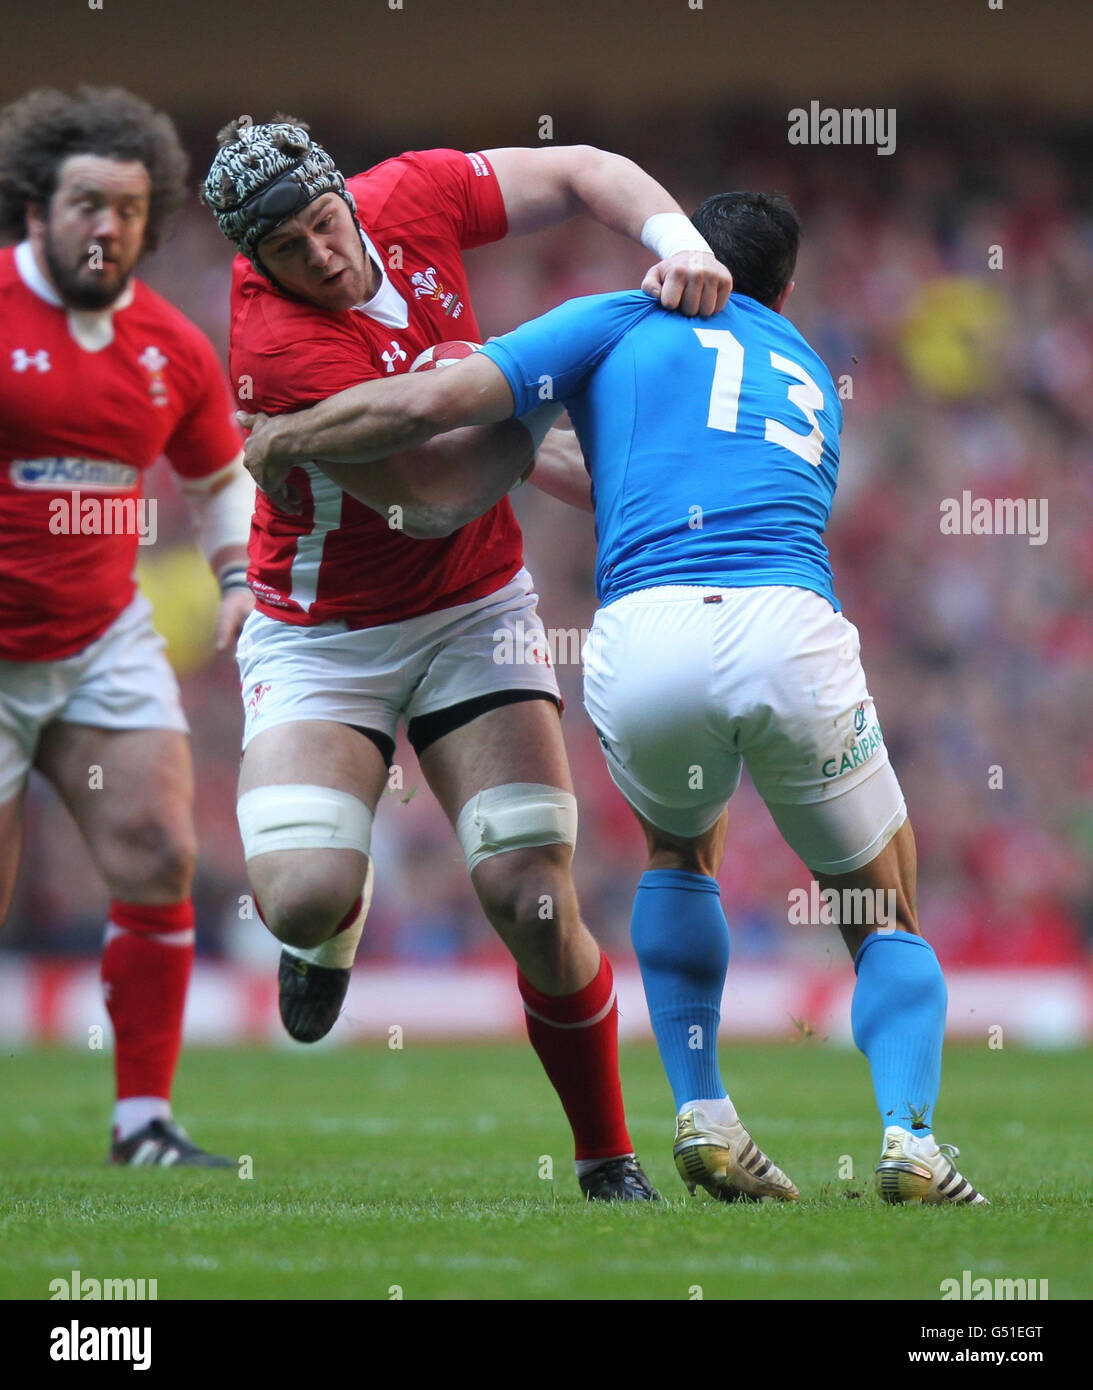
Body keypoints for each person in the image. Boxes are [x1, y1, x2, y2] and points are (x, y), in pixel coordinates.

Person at [240, 192, 989, 1208]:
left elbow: (431, 410)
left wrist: (286, 438)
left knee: (681, 855)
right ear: (785, 289)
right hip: (782, 620)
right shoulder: (807, 369)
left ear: (667, 253)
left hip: (643, 637)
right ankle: (909, 1140)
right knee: (877, 899)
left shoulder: (610, 320)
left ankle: (703, 1116)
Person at [201, 117, 731, 1201]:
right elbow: (433, 496)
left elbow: (586, 169)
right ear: (254, 265)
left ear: (344, 194)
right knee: (298, 895)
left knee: (531, 892)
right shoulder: (272, 347)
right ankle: (329, 928)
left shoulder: (408, 194)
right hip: (324, 632)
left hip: (472, 609)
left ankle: (603, 1160)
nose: (324, 254)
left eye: (323, 221)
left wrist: (677, 239)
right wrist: (546, 382)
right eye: (290, 250)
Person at [0, 87, 255, 1166]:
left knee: (158, 847)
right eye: (88, 204)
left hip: (103, 635)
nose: (109, 228)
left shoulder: (171, 347)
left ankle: (141, 1121)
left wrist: (239, 571)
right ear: (37, 208)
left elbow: (221, 476)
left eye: (131, 210)